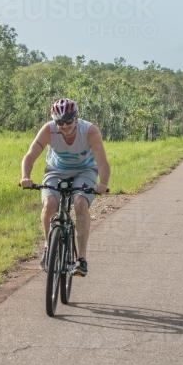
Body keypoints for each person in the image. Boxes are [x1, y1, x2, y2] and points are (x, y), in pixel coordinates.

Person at [19, 98, 110, 276]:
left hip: (85, 171)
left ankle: (81, 259)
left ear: (76, 118)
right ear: (54, 121)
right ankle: (48, 247)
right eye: (60, 122)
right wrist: (25, 176)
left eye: (69, 121)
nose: (65, 126)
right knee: (50, 204)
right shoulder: (48, 130)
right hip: (56, 170)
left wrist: (103, 183)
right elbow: (30, 155)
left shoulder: (89, 131)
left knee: (80, 203)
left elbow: (102, 162)